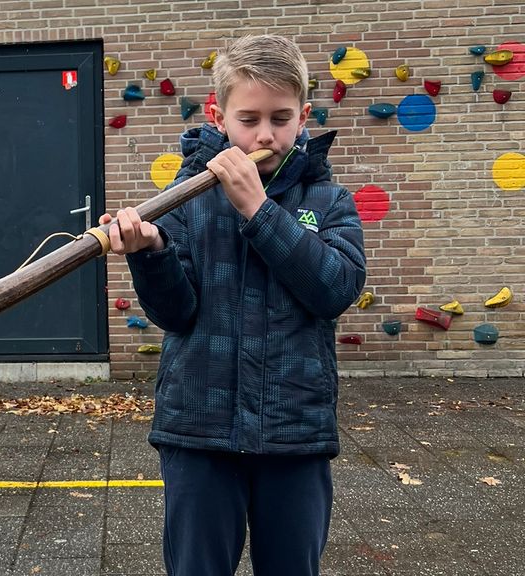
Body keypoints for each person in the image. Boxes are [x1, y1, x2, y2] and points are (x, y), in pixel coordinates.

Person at [99, 34, 366, 575]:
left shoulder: (329, 200)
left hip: (295, 433)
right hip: (199, 431)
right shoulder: (188, 198)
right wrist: (151, 252)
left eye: (281, 118)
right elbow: (176, 315)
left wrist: (258, 209)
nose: (265, 134)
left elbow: (335, 290)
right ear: (219, 117)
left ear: (304, 116)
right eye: (249, 120)